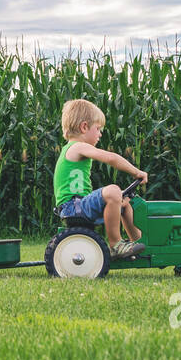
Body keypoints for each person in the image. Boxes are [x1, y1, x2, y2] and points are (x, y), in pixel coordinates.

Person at [53, 98, 148, 257]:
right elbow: (111, 158)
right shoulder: (77, 146)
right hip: (73, 207)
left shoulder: (73, 148)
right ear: (84, 127)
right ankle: (116, 244)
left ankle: (139, 243)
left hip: (78, 204)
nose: (100, 134)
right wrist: (136, 172)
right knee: (113, 191)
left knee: (124, 201)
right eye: (98, 128)